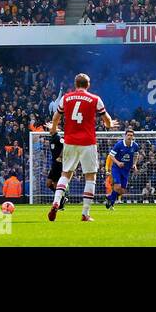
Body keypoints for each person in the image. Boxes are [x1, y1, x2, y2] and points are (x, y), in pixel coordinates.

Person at [47, 72, 116, 222]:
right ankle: (85, 213)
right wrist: (110, 124)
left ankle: (56, 202)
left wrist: (53, 128)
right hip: (88, 142)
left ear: (75, 84)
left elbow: (56, 117)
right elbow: (107, 119)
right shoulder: (95, 99)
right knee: (90, 177)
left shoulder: (66, 98)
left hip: (70, 141)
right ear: (88, 85)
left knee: (65, 174)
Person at [105, 127, 139, 209]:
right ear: (125, 136)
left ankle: (109, 198)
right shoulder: (119, 144)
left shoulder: (135, 145)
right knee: (117, 186)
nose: (130, 137)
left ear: (133, 137)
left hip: (126, 170)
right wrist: (118, 163)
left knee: (122, 191)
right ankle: (112, 204)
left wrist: (134, 164)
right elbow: (111, 155)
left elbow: (136, 155)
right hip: (116, 168)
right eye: (128, 135)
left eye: (131, 135)